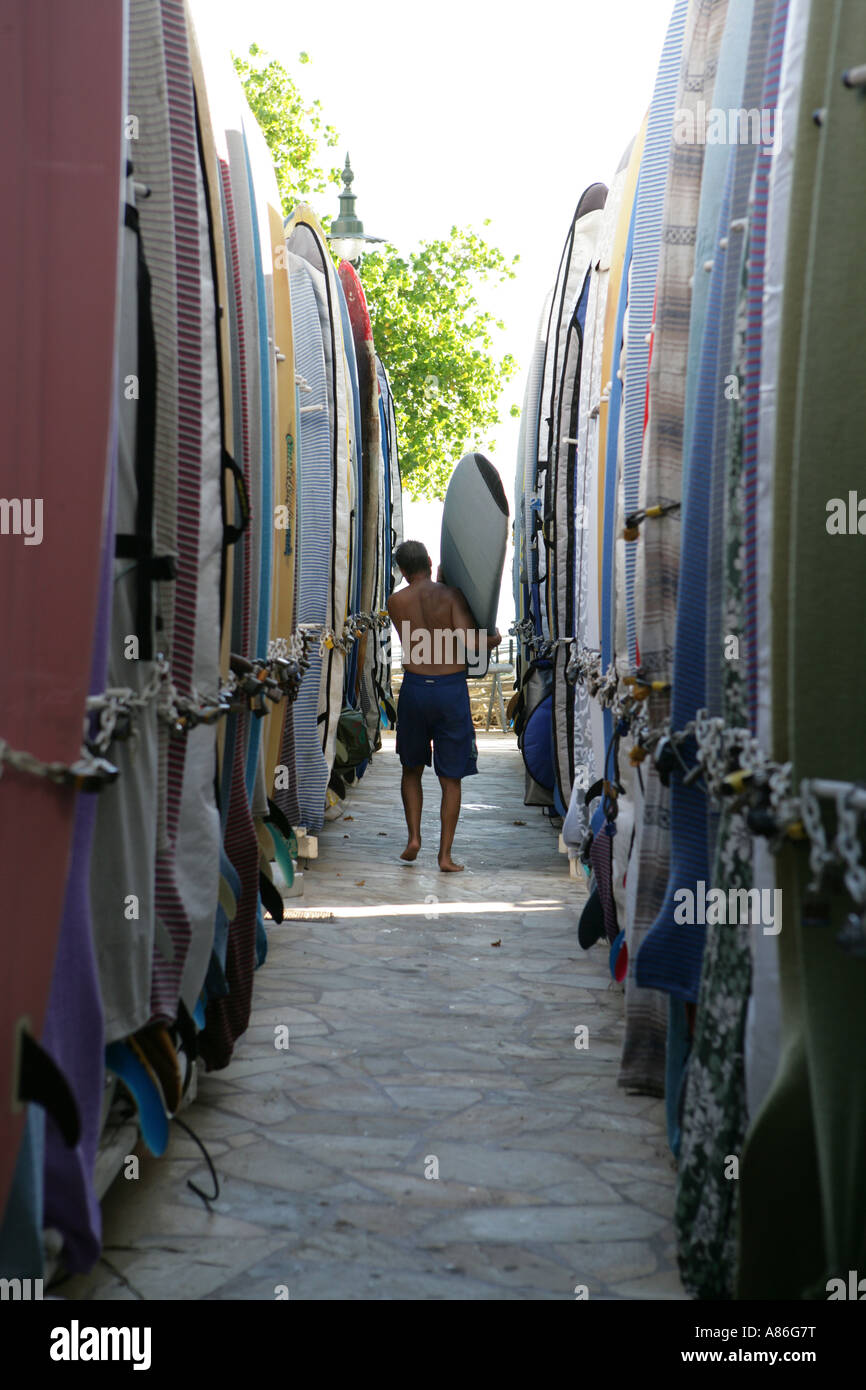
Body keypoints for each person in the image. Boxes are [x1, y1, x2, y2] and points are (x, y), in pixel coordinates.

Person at [386, 540, 500, 872]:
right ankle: (445, 856)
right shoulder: (450, 596)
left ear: (403, 571)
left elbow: (419, 634)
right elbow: (469, 642)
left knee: (411, 768)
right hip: (449, 690)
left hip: (415, 690)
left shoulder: (395, 601)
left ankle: (413, 839)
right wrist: (494, 640)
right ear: (430, 561)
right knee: (451, 777)